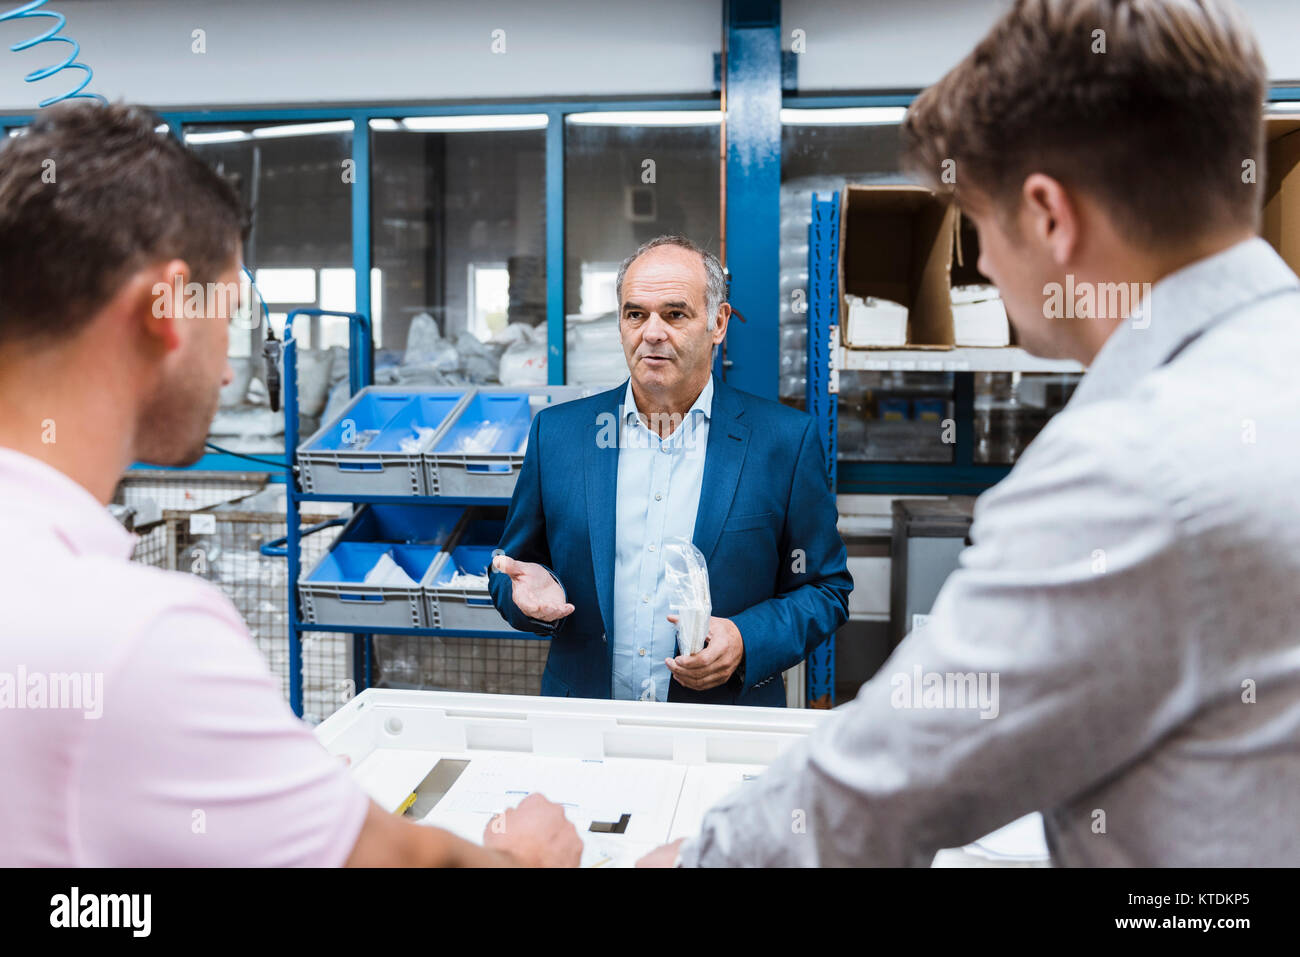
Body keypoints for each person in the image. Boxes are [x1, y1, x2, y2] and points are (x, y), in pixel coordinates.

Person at [643, 0, 1300, 866]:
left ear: (1050, 217)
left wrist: (694, 860)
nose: (984, 265)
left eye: (981, 227)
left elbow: (883, 787)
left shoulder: (1131, 467)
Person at [0, 101, 581, 867]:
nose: (232, 367)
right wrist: (530, 853)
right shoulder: (137, 637)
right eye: (233, 314)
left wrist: (275, 798)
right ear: (163, 310)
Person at [490, 236, 852, 706]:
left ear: (718, 323)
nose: (652, 332)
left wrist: (745, 639)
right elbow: (510, 568)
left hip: (721, 726)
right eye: (635, 314)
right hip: (586, 724)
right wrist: (523, 595)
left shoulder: (782, 441)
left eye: (675, 314)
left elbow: (826, 589)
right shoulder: (559, 435)